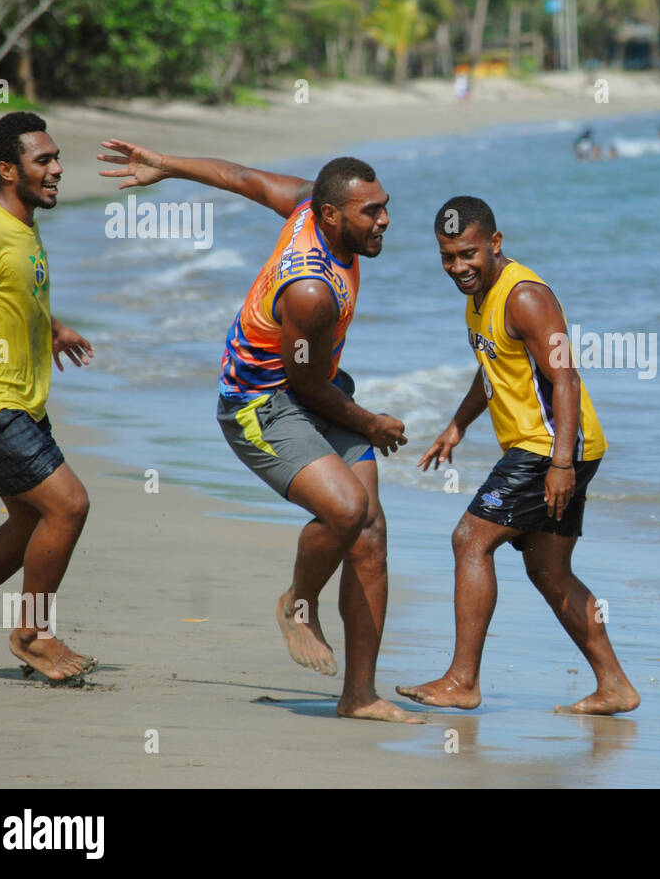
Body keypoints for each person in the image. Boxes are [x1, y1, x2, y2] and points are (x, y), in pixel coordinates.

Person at [96, 139, 419, 723]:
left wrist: (169, 163)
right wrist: (372, 422)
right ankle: (297, 604)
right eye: (371, 212)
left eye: (384, 205)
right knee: (346, 510)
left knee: (370, 532)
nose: (385, 220)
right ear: (331, 216)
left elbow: (239, 175)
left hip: (317, 386)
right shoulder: (311, 289)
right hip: (261, 403)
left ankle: (360, 697)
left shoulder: (303, 203)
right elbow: (304, 387)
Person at [397, 196, 639, 715]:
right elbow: (493, 369)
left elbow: (565, 377)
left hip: (548, 448)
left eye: (468, 253)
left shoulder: (524, 296)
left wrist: (561, 463)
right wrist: (457, 425)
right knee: (549, 572)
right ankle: (615, 686)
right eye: (447, 256)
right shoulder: (478, 294)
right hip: (554, 448)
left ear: (495, 243)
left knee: (469, 540)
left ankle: (462, 681)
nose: (458, 266)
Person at [0, 112, 96, 682]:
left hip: (20, 401)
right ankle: (32, 632)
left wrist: (53, 326)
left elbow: (6, 291)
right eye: (45, 161)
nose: (58, 169)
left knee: (26, 527)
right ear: (8, 170)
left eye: (57, 158)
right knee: (68, 505)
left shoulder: (21, 226)